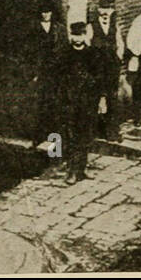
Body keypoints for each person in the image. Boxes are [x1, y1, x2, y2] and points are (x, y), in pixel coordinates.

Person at [59, 21, 101, 182]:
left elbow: (98, 78)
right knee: (71, 137)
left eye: (80, 35)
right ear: (71, 36)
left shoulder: (92, 54)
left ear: (85, 35)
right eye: (74, 35)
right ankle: (71, 171)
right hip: (69, 102)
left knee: (86, 136)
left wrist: (99, 100)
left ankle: (81, 169)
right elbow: (58, 79)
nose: (77, 39)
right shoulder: (64, 54)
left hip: (87, 102)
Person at [87, 0, 125, 140]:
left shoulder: (115, 26)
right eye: (102, 8)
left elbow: (120, 44)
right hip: (97, 69)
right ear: (98, 10)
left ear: (111, 10)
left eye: (108, 9)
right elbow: (87, 46)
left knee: (111, 97)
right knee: (96, 97)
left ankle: (112, 131)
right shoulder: (91, 26)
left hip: (111, 68)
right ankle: (95, 130)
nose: (105, 12)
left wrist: (118, 58)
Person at [30, 2, 65, 148]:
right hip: (41, 72)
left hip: (56, 72)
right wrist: (33, 73)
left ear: (52, 13)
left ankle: (54, 141)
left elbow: (64, 49)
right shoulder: (33, 29)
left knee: (55, 105)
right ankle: (39, 137)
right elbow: (29, 53)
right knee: (40, 105)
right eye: (43, 12)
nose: (45, 15)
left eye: (48, 12)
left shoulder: (59, 29)